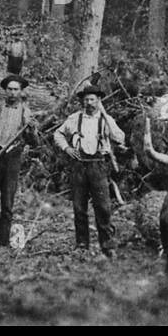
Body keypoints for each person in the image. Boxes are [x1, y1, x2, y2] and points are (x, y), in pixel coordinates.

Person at [53, 84, 126, 258]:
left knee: (103, 207)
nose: (89, 103)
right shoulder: (75, 118)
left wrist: (107, 117)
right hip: (79, 165)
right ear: (82, 101)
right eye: (86, 99)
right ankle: (82, 245)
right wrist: (67, 148)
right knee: (79, 207)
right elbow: (58, 134)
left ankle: (107, 246)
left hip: (99, 165)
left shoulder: (105, 119)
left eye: (92, 99)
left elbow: (120, 138)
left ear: (99, 101)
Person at [0, 74, 40, 248]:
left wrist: (31, 130)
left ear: (21, 92)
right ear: (5, 91)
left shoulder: (26, 113)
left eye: (16, 90)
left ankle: (2, 244)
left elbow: (34, 142)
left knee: (7, 204)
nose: (12, 93)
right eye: (10, 89)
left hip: (12, 159)